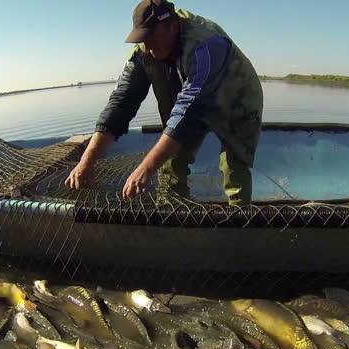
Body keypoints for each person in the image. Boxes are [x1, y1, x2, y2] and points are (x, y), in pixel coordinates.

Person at [64, 0, 263, 206]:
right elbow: (120, 103)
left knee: (234, 166)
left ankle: (238, 220)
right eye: (143, 38)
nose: (148, 47)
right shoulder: (143, 52)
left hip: (236, 100)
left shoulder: (207, 44)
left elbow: (190, 109)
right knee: (170, 162)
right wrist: (86, 161)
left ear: (173, 26)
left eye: (152, 36)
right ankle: (171, 216)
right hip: (191, 102)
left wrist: (146, 168)